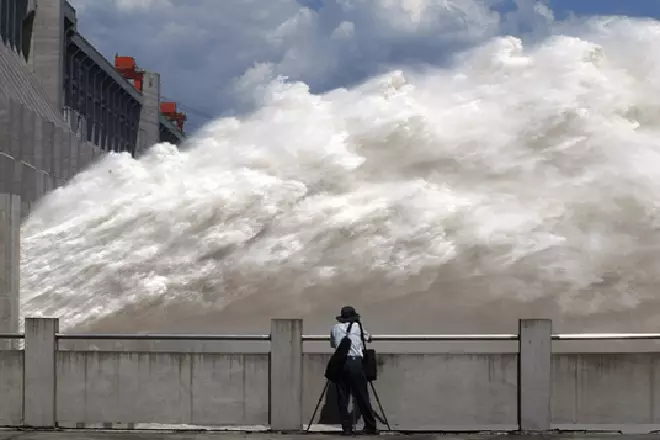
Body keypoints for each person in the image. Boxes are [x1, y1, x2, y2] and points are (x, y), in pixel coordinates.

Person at [330, 306, 379, 436]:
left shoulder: (335, 328)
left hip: (341, 363)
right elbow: (369, 339)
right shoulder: (359, 328)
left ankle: (346, 428)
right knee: (362, 396)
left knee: (343, 397)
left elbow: (334, 345)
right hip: (356, 363)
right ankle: (370, 426)